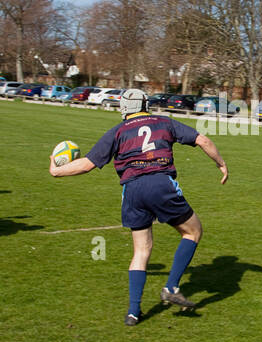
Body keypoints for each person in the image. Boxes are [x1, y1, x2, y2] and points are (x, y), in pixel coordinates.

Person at [49, 88, 228, 326]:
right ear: (145, 105)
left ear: (123, 108)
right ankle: (171, 287)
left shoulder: (117, 132)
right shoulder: (164, 122)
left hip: (132, 191)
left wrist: (56, 171)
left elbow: (87, 164)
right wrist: (221, 164)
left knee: (141, 251)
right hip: (160, 184)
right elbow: (202, 139)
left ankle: (133, 312)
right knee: (193, 231)